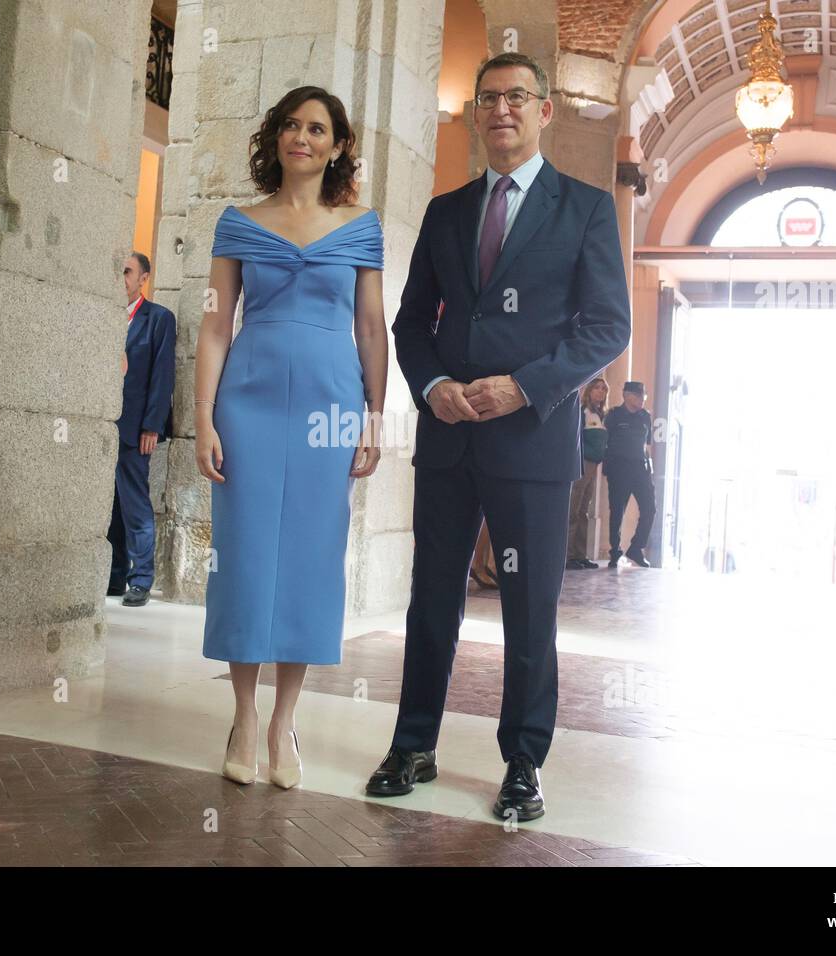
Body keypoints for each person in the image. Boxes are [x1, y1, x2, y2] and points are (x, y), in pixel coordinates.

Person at [366, 52, 631, 822]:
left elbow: (606, 326)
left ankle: (523, 761)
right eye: (488, 99)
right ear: (475, 113)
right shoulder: (447, 211)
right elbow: (413, 323)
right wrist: (434, 387)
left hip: (533, 440)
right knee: (431, 599)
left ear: (544, 110)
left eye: (517, 97)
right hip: (450, 440)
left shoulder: (583, 207)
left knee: (529, 605)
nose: (501, 110)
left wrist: (525, 386)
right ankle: (413, 744)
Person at [195, 86, 386, 789]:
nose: (301, 137)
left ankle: (285, 719)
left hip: (330, 403)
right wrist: (203, 415)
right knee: (244, 554)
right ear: (275, 137)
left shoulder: (361, 226)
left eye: (317, 128)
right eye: (291, 126)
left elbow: (371, 327)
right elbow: (216, 324)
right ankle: (244, 714)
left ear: (337, 145)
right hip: (248, 399)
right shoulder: (238, 223)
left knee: (310, 556)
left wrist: (373, 415)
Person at [107, 252, 175, 607]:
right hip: (105, 426)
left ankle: (141, 579)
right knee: (112, 507)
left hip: (136, 428)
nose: (122, 277)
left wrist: (152, 424)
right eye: (119, 271)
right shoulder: (105, 314)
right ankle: (115, 577)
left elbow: (162, 376)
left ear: (143, 278)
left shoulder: (158, 319)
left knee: (134, 505)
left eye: (128, 272)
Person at [604, 381, 655, 568]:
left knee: (650, 508)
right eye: (638, 395)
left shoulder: (645, 417)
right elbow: (605, 442)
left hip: (640, 469)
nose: (642, 399)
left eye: (644, 396)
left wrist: (650, 468)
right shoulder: (614, 416)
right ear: (626, 395)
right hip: (619, 469)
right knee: (617, 511)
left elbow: (646, 445)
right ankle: (615, 552)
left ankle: (636, 548)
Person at [566, 377, 609, 570]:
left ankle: (579, 554)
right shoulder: (582, 412)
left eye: (603, 389)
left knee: (584, 509)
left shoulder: (601, 415)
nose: (600, 392)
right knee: (573, 510)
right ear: (589, 390)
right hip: (583, 463)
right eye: (597, 388)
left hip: (594, 465)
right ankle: (567, 555)